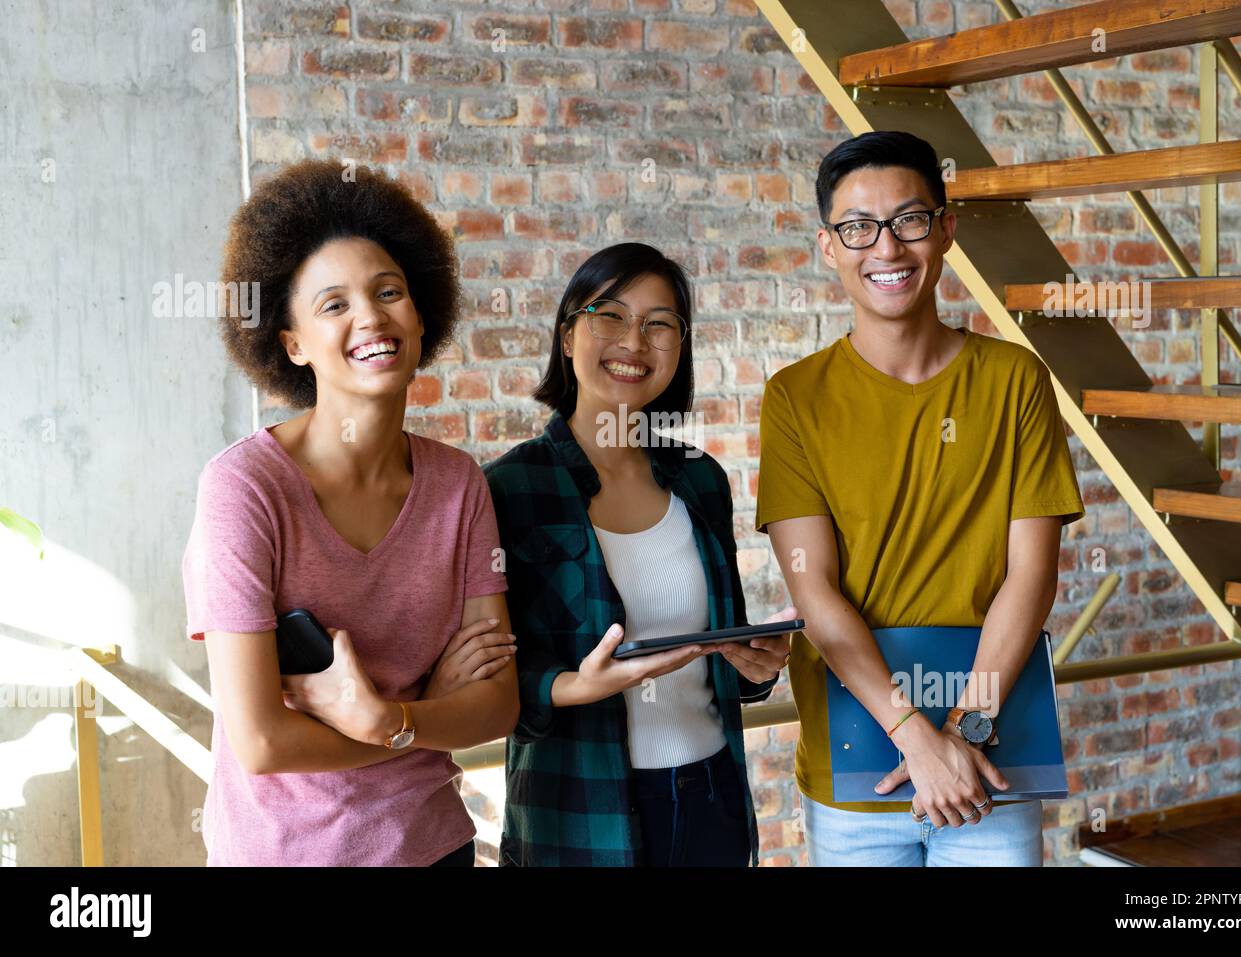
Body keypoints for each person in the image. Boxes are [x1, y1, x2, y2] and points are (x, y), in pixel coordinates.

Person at [756, 131, 1085, 866]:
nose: (887, 248)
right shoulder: (794, 399)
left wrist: (962, 735)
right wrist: (917, 738)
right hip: (856, 773)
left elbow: (1030, 576)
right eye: (857, 227)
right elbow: (816, 590)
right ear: (828, 246)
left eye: (909, 220)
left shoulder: (1014, 381)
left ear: (945, 230)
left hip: (989, 764)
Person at [181, 159, 519, 866]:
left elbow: (497, 703)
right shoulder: (243, 490)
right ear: (293, 343)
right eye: (334, 304)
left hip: (435, 846)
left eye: (389, 291)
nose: (371, 315)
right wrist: (419, 718)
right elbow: (263, 740)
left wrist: (384, 716)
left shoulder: (459, 485)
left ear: (421, 317)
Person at [484, 242, 795, 866]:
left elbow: (713, 659)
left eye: (660, 324)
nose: (635, 341)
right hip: (577, 814)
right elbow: (484, 675)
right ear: (568, 336)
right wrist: (571, 686)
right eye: (611, 316)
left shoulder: (701, 478)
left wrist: (753, 665)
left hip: (711, 797)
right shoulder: (506, 489)